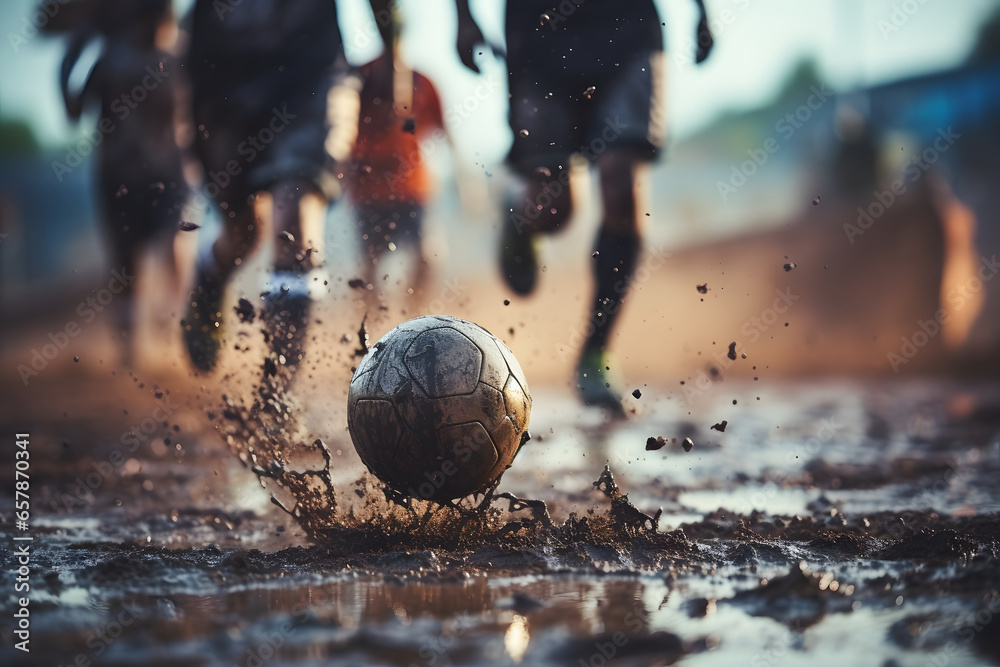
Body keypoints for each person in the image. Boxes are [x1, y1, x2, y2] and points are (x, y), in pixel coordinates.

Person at [455, 0, 714, 414]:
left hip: (627, 33)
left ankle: (595, 352)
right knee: (555, 209)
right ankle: (522, 214)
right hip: (539, 34)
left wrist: (703, 11)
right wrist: (463, 17)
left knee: (621, 184)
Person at [182, 0, 363, 373]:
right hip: (223, 89)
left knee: (295, 226)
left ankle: (275, 399)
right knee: (244, 234)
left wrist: (394, 56)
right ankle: (210, 279)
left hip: (310, 76)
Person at [55, 0, 189, 364]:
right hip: (122, 174)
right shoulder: (114, 61)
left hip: (164, 173)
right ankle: (131, 350)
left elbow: (72, 109)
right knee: (127, 262)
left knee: (170, 238)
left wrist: (71, 59)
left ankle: (173, 324)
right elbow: (75, 109)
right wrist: (71, 55)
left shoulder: (179, 57)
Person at [345, 0, 445, 311]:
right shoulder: (359, 78)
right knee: (371, 265)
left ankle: (411, 317)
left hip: (411, 187)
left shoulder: (423, 82)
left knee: (427, 256)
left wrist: (470, 185)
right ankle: (370, 329)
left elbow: (443, 131)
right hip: (368, 189)